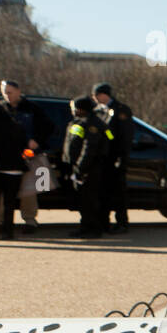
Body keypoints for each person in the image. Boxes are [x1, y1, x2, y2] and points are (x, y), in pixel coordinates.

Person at [0, 80, 54, 233]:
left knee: (28, 190)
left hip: (28, 156)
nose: (7, 95)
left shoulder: (32, 108)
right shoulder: (0, 108)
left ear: (18, 91)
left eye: (9, 92)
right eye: (4, 92)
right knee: (2, 192)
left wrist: (37, 141)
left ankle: (29, 220)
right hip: (5, 156)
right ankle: (0, 221)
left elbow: (49, 127)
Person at [62, 96, 114, 239]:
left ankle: (93, 229)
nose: (72, 110)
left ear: (81, 109)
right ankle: (85, 227)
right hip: (82, 167)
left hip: (89, 169)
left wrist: (80, 169)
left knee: (89, 200)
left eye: (74, 107)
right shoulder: (80, 122)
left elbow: (89, 149)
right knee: (84, 201)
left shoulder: (92, 124)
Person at [92, 82, 134, 234]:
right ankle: (104, 222)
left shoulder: (120, 110)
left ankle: (121, 222)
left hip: (116, 157)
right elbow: (108, 134)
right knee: (104, 192)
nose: (95, 99)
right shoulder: (98, 110)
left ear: (103, 95)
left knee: (119, 193)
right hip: (104, 158)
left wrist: (121, 157)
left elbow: (125, 136)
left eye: (96, 95)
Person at [0, 95, 28, 241]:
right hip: (15, 169)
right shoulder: (15, 126)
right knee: (10, 202)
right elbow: (23, 145)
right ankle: (9, 231)